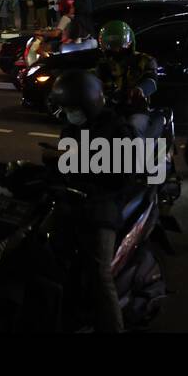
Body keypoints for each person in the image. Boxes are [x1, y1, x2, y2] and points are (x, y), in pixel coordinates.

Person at [47, 70, 136, 333]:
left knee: (99, 274)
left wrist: (80, 167)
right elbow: (65, 163)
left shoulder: (118, 129)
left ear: (89, 103)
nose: (69, 113)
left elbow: (122, 174)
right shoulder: (71, 128)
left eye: (73, 108)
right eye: (65, 108)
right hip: (73, 200)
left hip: (103, 203)